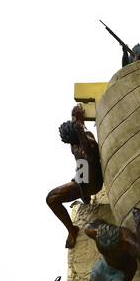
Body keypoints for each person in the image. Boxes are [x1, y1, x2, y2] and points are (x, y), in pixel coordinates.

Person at [46, 104, 104, 249]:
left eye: (71, 141)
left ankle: (72, 230)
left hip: (90, 184)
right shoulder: (75, 143)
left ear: (77, 135)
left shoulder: (87, 143)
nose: (71, 145)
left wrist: (79, 128)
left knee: (51, 199)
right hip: (81, 177)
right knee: (54, 197)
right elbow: (78, 126)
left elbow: (90, 155)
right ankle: (83, 202)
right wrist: (76, 117)